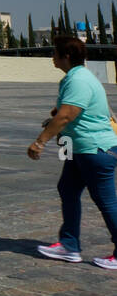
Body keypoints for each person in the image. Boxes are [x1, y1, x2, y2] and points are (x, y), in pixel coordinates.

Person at [30, 36, 117, 268]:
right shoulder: (73, 78)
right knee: (67, 188)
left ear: (65, 56)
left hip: (95, 149)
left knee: (106, 201)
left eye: (54, 53)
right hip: (78, 148)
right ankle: (69, 246)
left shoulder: (78, 80)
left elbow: (67, 115)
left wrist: (40, 142)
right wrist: (54, 119)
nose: (52, 57)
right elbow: (67, 111)